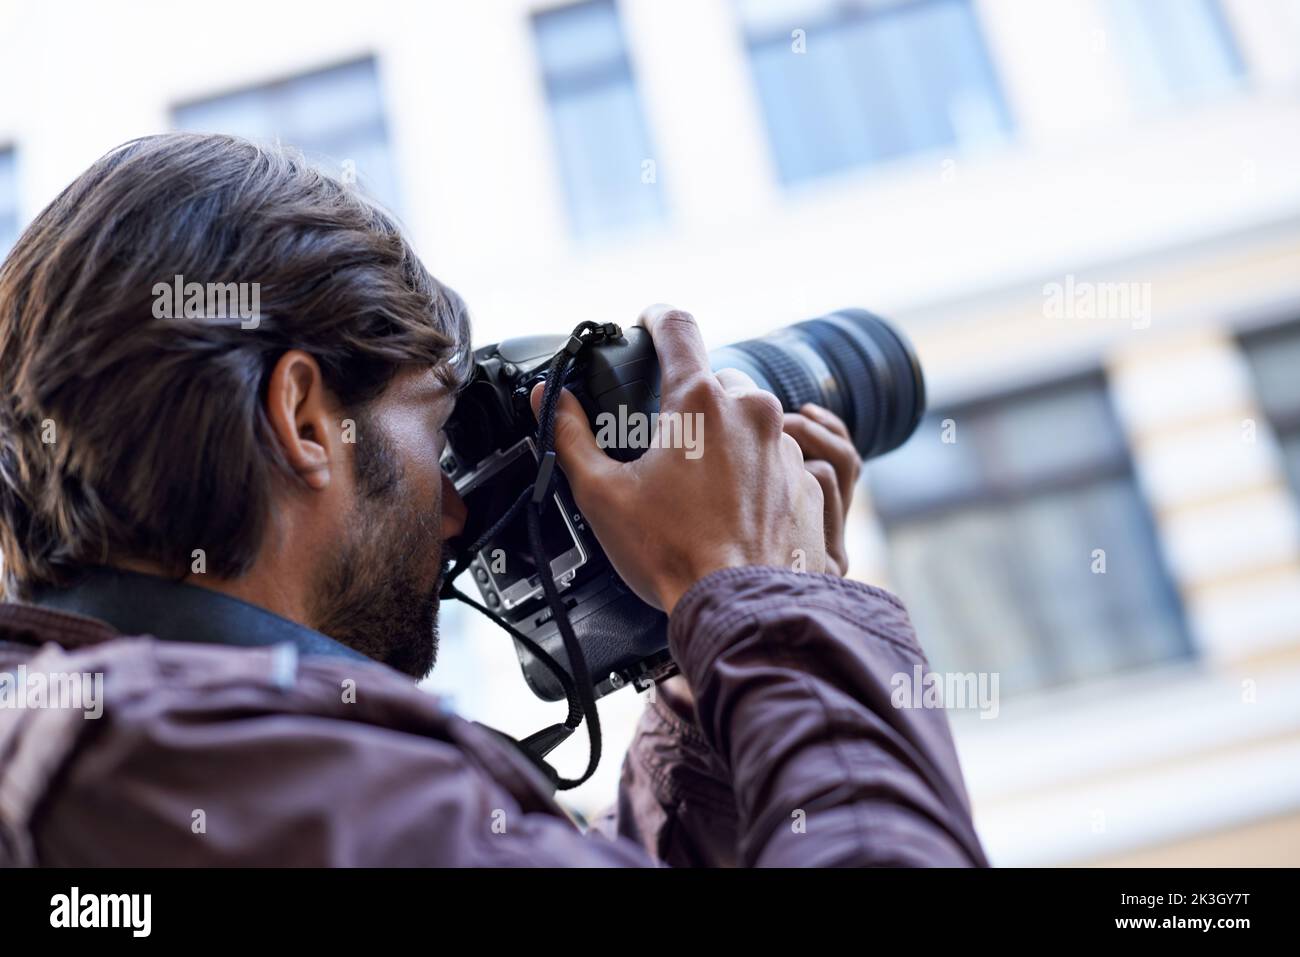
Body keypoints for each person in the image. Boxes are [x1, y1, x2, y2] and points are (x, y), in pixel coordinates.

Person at [0, 133, 987, 867]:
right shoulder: (202, 768)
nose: (456, 513)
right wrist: (773, 591)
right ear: (305, 420)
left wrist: (707, 665)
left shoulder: (106, 751)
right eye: (436, 436)